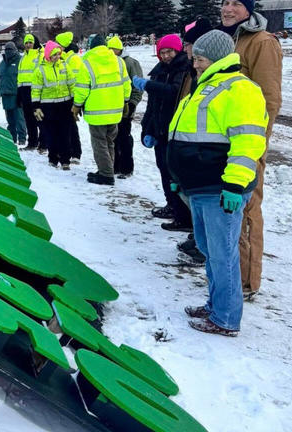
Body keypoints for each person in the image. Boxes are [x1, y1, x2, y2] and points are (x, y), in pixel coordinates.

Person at [167, 30, 267, 336]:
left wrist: (235, 186)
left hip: (219, 189)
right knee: (209, 250)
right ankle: (216, 304)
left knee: (223, 254)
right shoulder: (207, 87)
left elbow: (247, 143)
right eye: (195, 57)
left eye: (199, 58)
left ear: (216, 58)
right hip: (199, 187)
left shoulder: (240, 90)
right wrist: (178, 177)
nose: (194, 63)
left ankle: (225, 317)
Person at [218, 0, 283, 300]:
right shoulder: (229, 39)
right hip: (223, 141)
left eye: (235, 3)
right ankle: (230, 273)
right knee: (228, 210)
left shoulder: (261, 43)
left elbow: (269, 98)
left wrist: (256, 146)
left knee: (247, 208)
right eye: (224, 3)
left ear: (248, 9)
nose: (227, 9)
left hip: (247, 143)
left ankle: (246, 280)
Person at [133, 34, 193, 232]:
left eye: (170, 52)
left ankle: (183, 216)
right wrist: (147, 128)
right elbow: (152, 104)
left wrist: (148, 85)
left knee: (175, 174)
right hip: (159, 129)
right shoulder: (159, 70)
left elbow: (173, 92)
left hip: (174, 131)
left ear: (178, 51)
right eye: (162, 52)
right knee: (164, 170)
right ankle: (172, 206)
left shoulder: (183, 70)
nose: (166, 56)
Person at [176, 18, 213, 267]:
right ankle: (198, 239)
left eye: (188, 45)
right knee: (194, 200)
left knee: (207, 205)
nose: (186, 51)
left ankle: (204, 248)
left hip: (207, 151)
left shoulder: (212, 79)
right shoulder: (194, 72)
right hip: (190, 147)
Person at [73, 34, 131, 186]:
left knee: (99, 143)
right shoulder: (118, 61)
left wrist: (76, 106)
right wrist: (125, 102)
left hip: (96, 111)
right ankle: (107, 169)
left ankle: (106, 175)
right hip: (116, 110)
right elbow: (126, 84)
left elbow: (82, 88)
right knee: (109, 141)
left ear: (91, 47)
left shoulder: (87, 62)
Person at [31, 40, 76, 170]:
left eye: (58, 54)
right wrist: (36, 106)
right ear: (48, 55)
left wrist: (75, 103)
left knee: (65, 134)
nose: (57, 57)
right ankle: (53, 158)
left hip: (64, 105)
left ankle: (65, 160)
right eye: (54, 54)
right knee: (51, 134)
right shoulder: (40, 70)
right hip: (48, 107)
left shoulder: (64, 66)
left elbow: (72, 84)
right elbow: (36, 90)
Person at [107, 35, 143, 178]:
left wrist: (132, 104)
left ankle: (127, 168)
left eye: (112, 49)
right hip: (112, 108)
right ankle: (115, 166)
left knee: (124, 138)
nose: (110, 52)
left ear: (119, 49)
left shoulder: (131, 63)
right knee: (113, 138)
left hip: (126, 107)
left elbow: (137, 86)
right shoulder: (110, 62)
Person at [55, 32, 84, 164]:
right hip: (62, 97)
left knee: (71, 126)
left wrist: (76, 101)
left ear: (64, 46)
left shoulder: (74, 59)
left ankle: (76, 153)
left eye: (58, 45)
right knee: (65, 126)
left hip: (71, 98)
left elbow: (77, 80)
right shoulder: (63, 58)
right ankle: (67, 150)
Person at [0, 42, 26, 145]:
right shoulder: (2, 63)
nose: (8, 51)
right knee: (10, 119)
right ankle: (12, 137)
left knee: (19, 118)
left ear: (15, 49)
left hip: (17, 94)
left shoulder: (21, 61)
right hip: (5, 95)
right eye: (6, 49)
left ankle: (22, 138)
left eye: (10, 49)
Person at [17, 34, 42, 150]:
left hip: (34, 91)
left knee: (39, 118)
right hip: (23, 91)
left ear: (34, 43)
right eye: (26, 43)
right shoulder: (22, 58)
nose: (28, 45)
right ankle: (32, 142)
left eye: (30, 42)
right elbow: (20, 77)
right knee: (28, 119)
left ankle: (43, 143)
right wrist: (19, 94)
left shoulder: (38, 56)